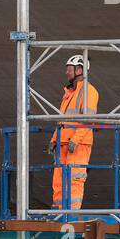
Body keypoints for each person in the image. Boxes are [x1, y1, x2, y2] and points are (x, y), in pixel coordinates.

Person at [49, 54, 99, 211]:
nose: (67, 72)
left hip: (78, 144)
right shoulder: (69, 93)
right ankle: (58, 211)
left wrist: (75, 140)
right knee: (58, 179)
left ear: (79, 70)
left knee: (74, 178)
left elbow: (88, 119)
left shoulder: (89, 91)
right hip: (64, 144)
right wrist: (54, 139)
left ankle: (72, 211)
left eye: (69, 69)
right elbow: (63, 121)